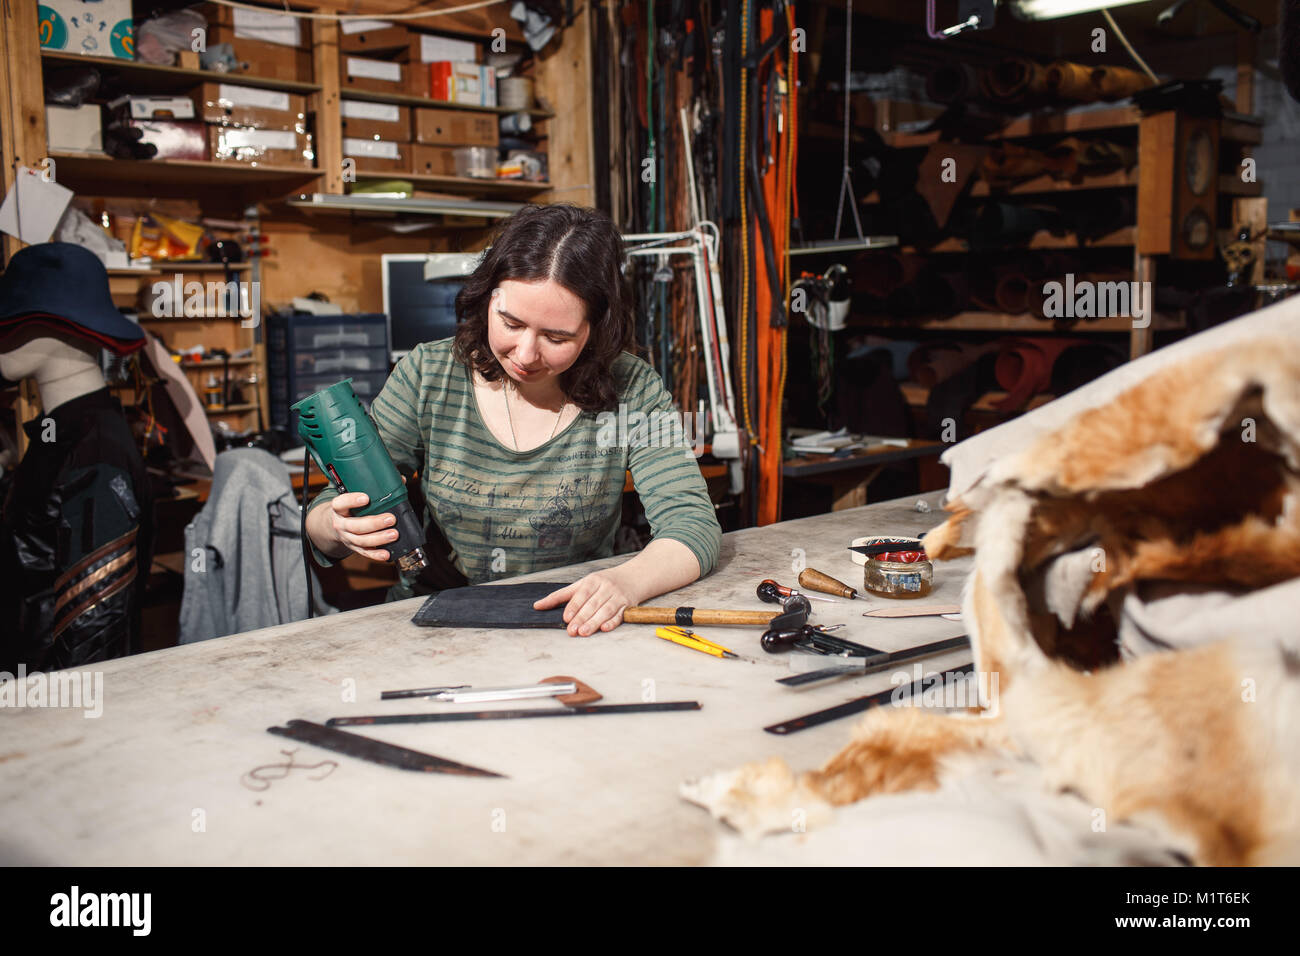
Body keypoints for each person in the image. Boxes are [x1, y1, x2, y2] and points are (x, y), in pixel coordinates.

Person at [305, 203, 722, 635]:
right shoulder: (428, 374)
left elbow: (692, 524)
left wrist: (625, 583)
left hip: (573, 623)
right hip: (439, 627)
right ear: (488, 298)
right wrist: (337, 526)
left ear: (596, 329)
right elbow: (324, 518)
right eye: (510, 322)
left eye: (556, 337)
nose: (525, 355)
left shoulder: (632, 388)